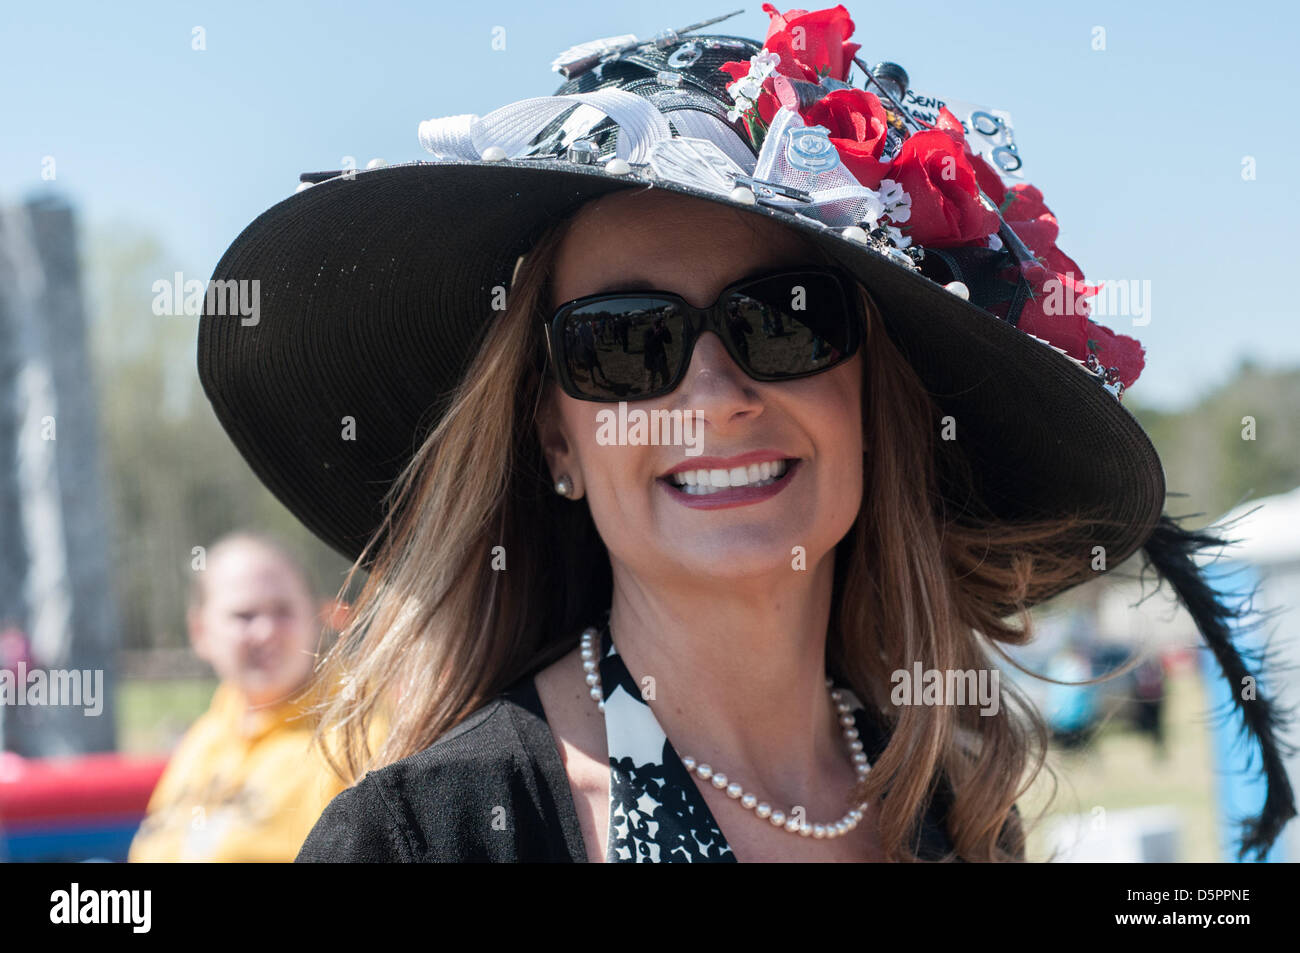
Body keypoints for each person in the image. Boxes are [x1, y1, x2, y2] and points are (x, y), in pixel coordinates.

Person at [197, 7, 1294, 862]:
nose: (714, 393)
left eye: (787, 320)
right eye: (624, 343)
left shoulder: (953, 808)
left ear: (871, 398)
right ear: (555, 438)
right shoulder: (427, 840)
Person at [129, 532, 348, 862]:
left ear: (316, 619)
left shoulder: (356, 738)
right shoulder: (202, 740)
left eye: (283, 611)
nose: (266, 631)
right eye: (244, 615)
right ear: (200, 632)